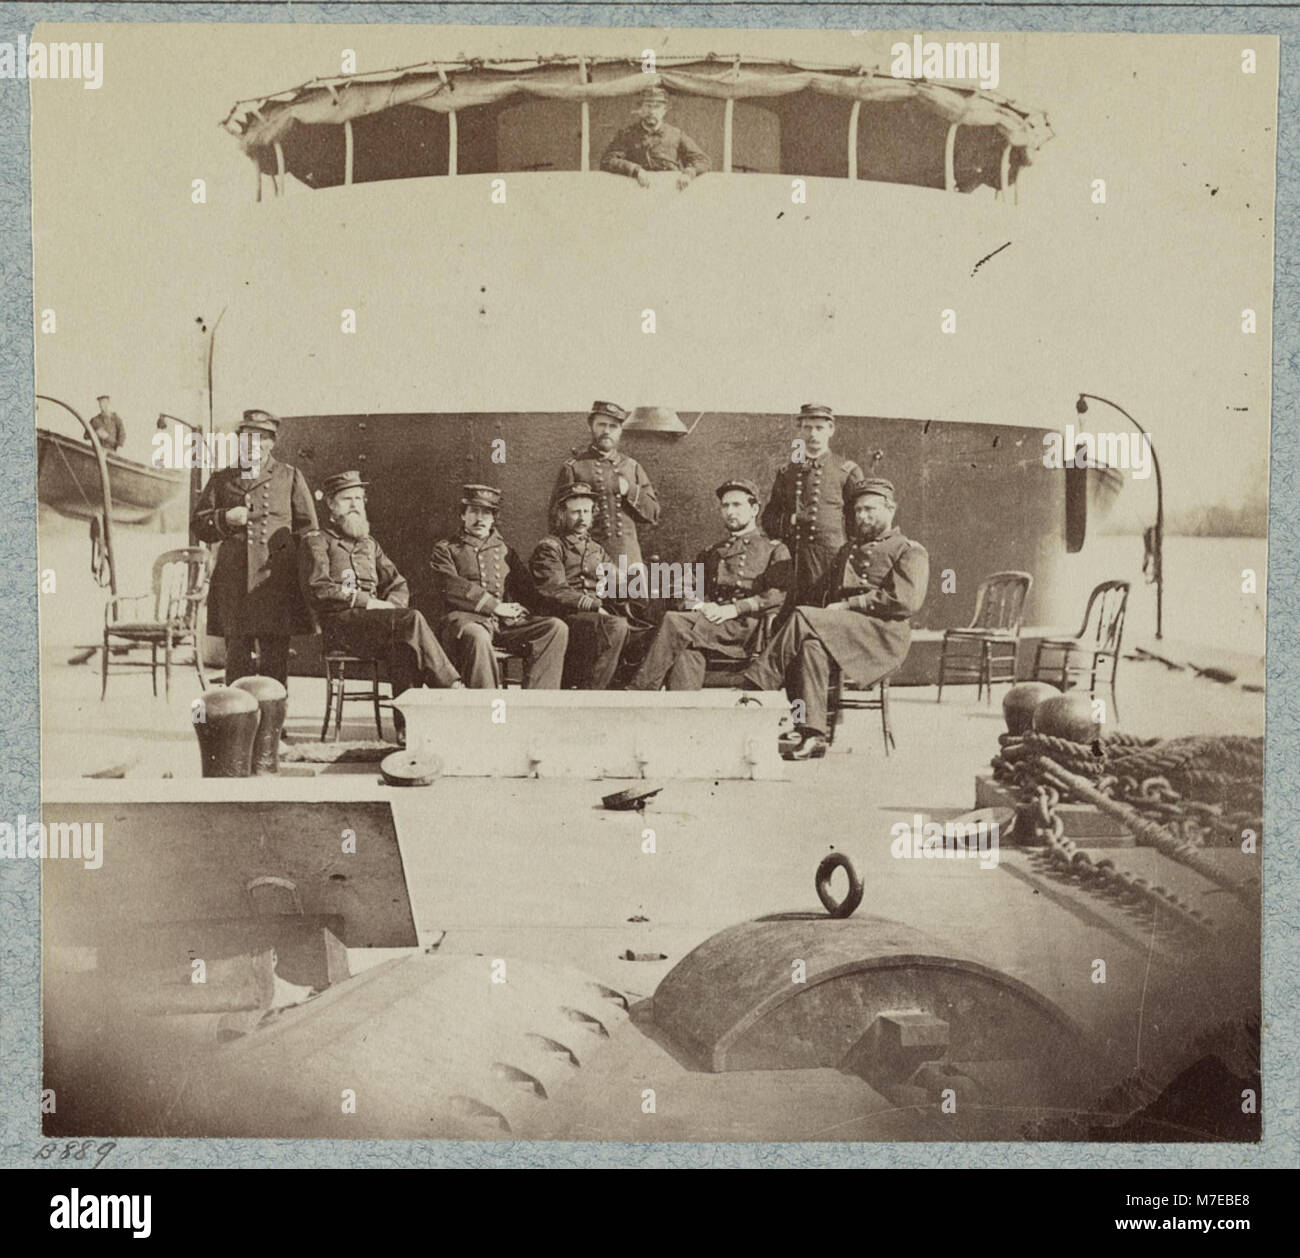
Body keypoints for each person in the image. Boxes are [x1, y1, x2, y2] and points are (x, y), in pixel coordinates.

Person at [744, 479, 929, 760]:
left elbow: (906, 601)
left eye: (870, 509)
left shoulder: (909, 550)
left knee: (804, 616)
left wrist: (849, 604)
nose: (862, 517)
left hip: (882, 634)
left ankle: (756, 686)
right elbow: (822, 593)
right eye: (857, 511)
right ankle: (813, 734)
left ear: (890, 508)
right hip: (843, 630)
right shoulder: (848, 550)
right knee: (809, 646)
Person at [299, 471, 463, 713]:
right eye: (347, 499)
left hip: (374, 627)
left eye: (358, 499)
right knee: (411, 620)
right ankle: (452, 687)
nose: (355, 505)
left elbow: (397, 583)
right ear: (331, 505)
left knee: (406, 645)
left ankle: (406, 728)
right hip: (341, 627)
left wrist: (392, 605)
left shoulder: (369, 544)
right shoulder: (317, 541)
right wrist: (368, 603)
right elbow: (318, 589)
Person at [192, 410, 317, 688]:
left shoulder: (290, 476)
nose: (254, 445)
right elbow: (199, 524)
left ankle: (273, 726)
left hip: (275, 582)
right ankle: (241, 726)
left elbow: (308, 530)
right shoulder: (223, 478)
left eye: (261, 439)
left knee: (275, 658)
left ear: (272, 443)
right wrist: (225, 517)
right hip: (235, 583)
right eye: (248, 438)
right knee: (237, 657)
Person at [628, 478, 791, 691]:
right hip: (710, 625)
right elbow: (683, 584)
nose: (730, 511)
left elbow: (777, 594)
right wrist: (699, 606)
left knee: (675, 622)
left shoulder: (773, 549)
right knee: (686, 653)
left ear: (754, 509)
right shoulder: (713, 552)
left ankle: (639, 691)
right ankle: (684, 719)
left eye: (737, 505)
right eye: (725, 506)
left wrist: (733, 609)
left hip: (743, 629)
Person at [428, 484, 568, 689]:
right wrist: (495, 606)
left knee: (555, 628)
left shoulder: (505, 551)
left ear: (494, 518)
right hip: (464, 622)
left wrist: (521, 607)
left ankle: (536, 703)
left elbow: (527, 591)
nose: (480, 518)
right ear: (463, 515)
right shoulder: (446, 549)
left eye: (486, 513)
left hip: (503, 624)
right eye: (474, 511)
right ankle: (489, 708)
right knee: (479, 637)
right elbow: (450, 586)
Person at [762, 403, 866, 603]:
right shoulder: (787, 472)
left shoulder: (846, 470)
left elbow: (857, 522)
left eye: (819, 428)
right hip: (794, 559)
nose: (813, 434)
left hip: (832, 558)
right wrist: (791, 519)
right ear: (799, 430)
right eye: (807, 427)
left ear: (831, 430)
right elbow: (769, 518)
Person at [529, 483, 630, 690]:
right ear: (562, 514)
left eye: (586, 511)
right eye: (576, 512)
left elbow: (616, 580)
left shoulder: (596, 549)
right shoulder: (550, 547)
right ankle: (592, 693)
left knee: (640, 626)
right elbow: (554, 589)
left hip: (594, 617)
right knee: (616, 626)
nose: (582, 518)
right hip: (565, 617)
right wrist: (592, 605)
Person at [552, 400, 660, 579]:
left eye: (613, 426)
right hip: (589, 562)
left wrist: (630, 491)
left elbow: (653, 513)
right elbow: (557, 521)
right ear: (591, 426)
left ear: (620, 430)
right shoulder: (574, 467)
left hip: (629, 561)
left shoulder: (632, 467)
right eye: (601, 425)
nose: (607, 431)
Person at [601, 84, 710, 190]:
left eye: (657, 107)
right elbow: (607, 160)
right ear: (641, 109)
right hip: (638, 191)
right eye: (648, 106)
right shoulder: (627, 134)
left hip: (669, 192)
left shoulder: (676, 134)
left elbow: (702, 160)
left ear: (664, 110)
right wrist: (636, 170)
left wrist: (689, 173)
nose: (652, 111)